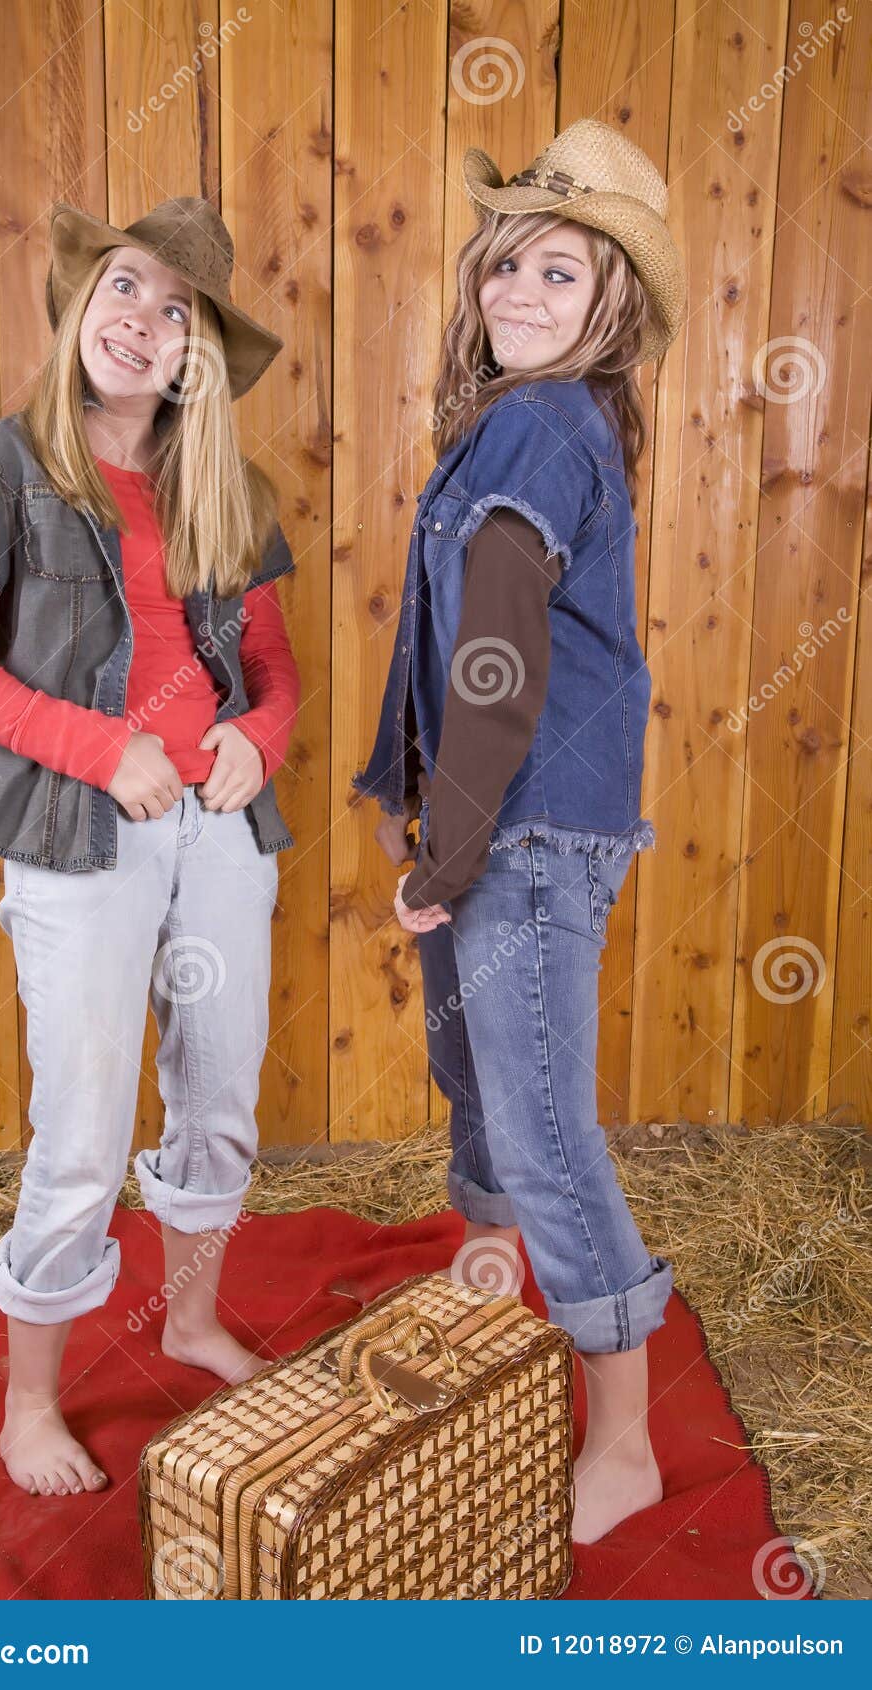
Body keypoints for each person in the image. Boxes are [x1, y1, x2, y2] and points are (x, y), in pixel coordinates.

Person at [0, 197, 300, 1499]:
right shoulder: (1, 464)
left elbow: (276, 673)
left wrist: (263, 741)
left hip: (223, 831)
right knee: (79, 1126)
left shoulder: (223, 484)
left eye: (175, 309)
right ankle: (30, 1405)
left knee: (220, 1094)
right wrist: (98, 745)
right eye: (127, 288)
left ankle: (187, 1319)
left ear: (197, 350)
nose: (143, 320)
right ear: (84, 303)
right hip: (83, 837)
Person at [352, 118, 688, 1544]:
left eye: (564, 271)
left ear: (614, 303)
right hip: (501, 816)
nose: (522, 295)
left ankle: (627, 1437)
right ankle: (499, 1316)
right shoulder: (527, 420)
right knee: (487, 1092)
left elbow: (497, 658)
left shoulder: (539, 422)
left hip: (528, 830)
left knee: (543, 1130)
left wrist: (451, 847)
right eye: (509, 264)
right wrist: (417, 790)